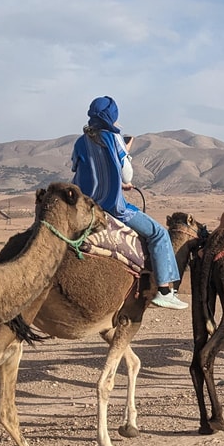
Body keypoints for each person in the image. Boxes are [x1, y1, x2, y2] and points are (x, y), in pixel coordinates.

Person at [70, 96, 187, 309]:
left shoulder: (80, 142)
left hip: (85, 208)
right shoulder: (114, 140)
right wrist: (127, 153)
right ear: (112, 117)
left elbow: (81, 174)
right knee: (159, 233)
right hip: (114, 207)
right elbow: (127, 175)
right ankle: (164, 290)